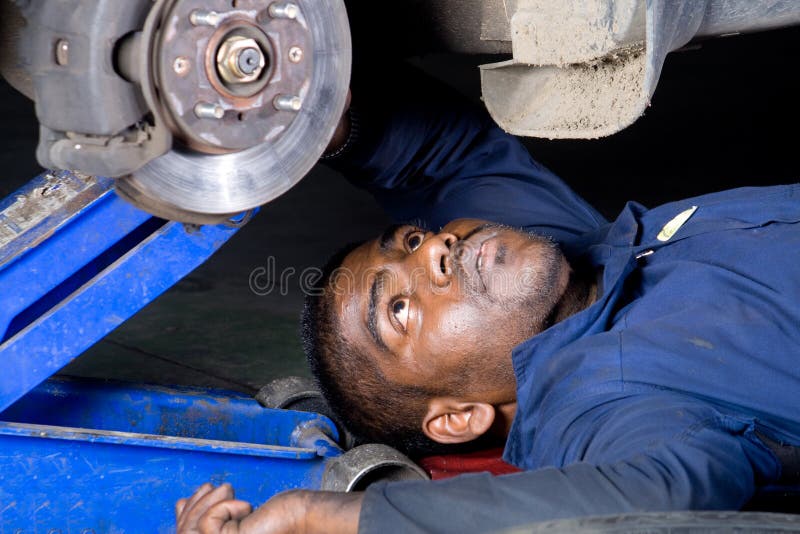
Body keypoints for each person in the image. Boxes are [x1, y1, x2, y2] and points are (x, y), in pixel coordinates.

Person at [175, 66, 800, 533]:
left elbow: (443, 160)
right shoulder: (601, 407)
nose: (433, 251)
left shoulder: (575, 257)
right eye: (399, 310)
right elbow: (651, 499)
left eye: (413, 240)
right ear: (459, 417)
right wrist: (318, 517)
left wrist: (305, 113)